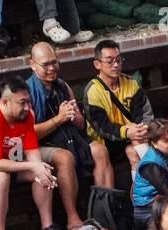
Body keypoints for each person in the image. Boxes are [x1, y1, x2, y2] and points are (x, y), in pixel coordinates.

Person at [0, 77, 67, 230]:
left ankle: (47, 227)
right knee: (1, 177)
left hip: (4, 164)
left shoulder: (25, 117)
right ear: (5, 102)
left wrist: (38, 168)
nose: (28, 107)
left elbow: (31, 151)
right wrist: (31, 165)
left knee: (42, 170)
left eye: (29, 102)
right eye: (22, 103)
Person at [27, 41, 112, 191]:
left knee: (100, 150)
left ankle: (105, 206)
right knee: (65, 157)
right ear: (33, 64)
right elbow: (29, 134)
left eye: (55, 62)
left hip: (70, 136)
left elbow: (81, 126)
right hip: (43, 145)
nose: (52, 68)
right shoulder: (27, 93)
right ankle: (72, 213)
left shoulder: (62, 86)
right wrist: (59, 119)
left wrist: (75, 115)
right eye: (45, 65)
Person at [83, 39, 153, 173]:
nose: (115, 65)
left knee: (134, 152)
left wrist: (143, 129)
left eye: (118, 60)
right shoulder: (92, 91)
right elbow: (102, 127)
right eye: (110, 61)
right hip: (107, 141)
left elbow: (144, 114)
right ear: (97, 64)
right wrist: (127, 132)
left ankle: (143, 192)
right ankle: (154, 184)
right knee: (138, 147)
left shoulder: (132, 84)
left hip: (132, 137)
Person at [131, 119, 168, 227]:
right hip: (148, 209)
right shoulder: (149, 165)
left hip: (166, 200)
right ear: (154, 143)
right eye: (166, 141)